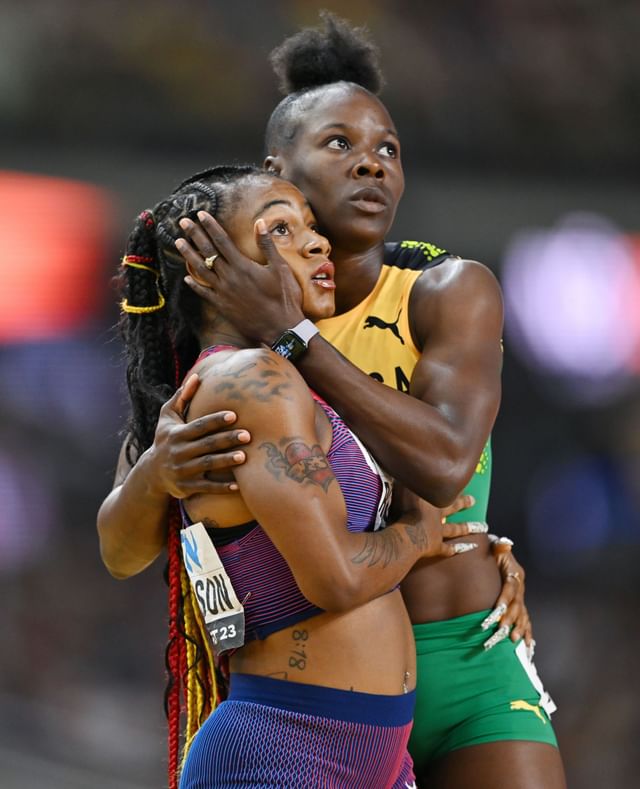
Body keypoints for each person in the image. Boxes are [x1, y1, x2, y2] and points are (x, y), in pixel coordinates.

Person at [174, 14, 567, 789]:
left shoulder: (444, 289)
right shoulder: (232, 337)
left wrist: (294, 338)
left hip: (466, 654)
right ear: (276, 167)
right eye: (340, 145)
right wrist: (156, 472)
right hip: (321, 689)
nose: (372, 165)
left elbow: (449, 466)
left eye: (388, 149)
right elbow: (131, 531)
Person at [99, 164, 483, 788]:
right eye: (280, 228)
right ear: (207, 267)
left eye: (310, 225)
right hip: (292, 746)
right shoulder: (251, 381)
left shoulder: (278, 376)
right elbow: (335, 578)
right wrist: (421, 531)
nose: (317, 241)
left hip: (357, 748)